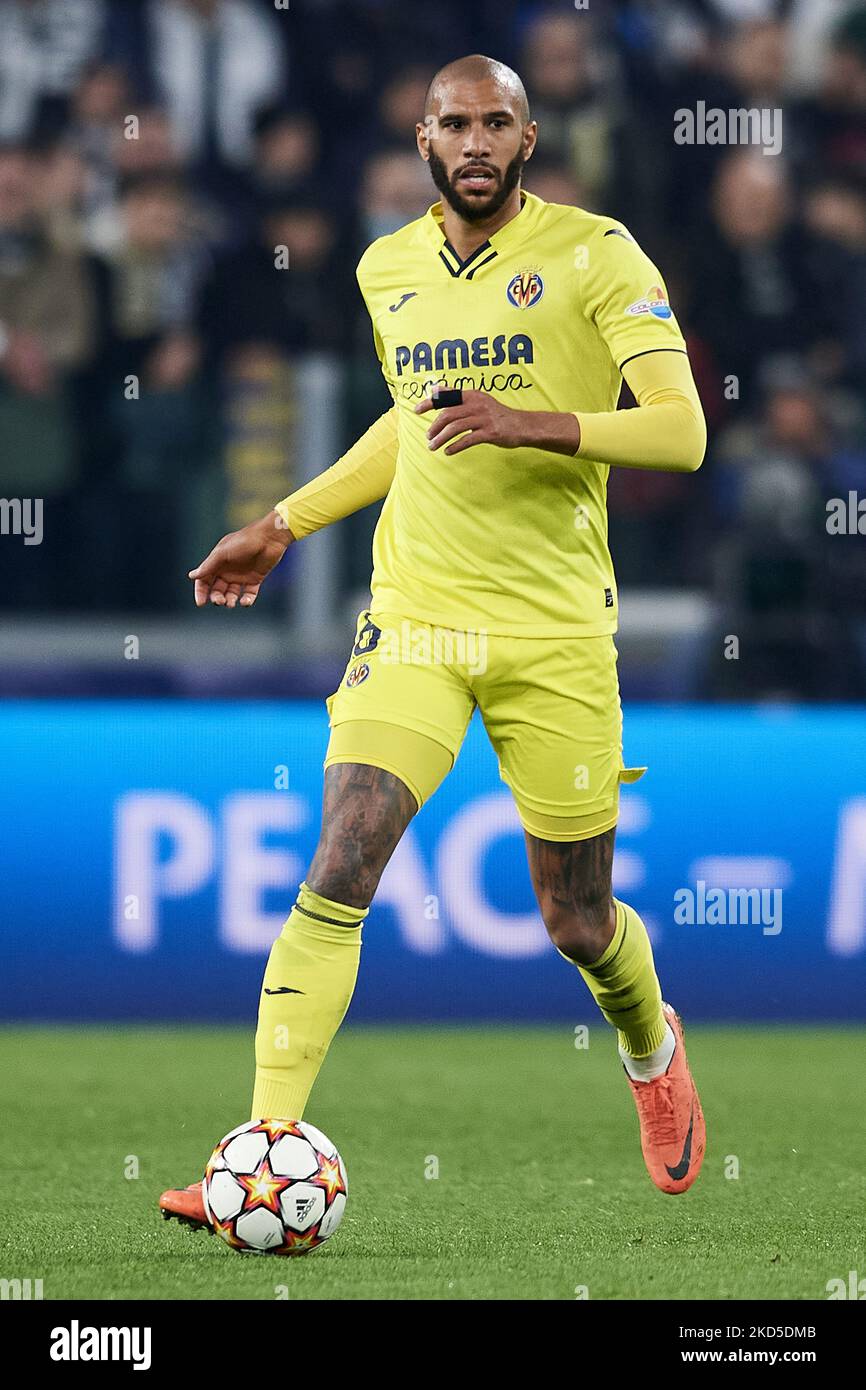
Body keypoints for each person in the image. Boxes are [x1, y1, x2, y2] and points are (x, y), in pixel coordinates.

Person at [159, 54, 708, 1236]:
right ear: (421, 140)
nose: (472, 140)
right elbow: (413, 427)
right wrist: (281, 521)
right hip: (413, 612)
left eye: (494, 122)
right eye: (451, 122)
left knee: (574, 920)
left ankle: (648, 1044)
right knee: (341, 857)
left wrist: (538, 423)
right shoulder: (385, 266)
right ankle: (257, 1150)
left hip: (553, 627)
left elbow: (680, 431)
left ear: (526, 138)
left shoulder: (596, 252)